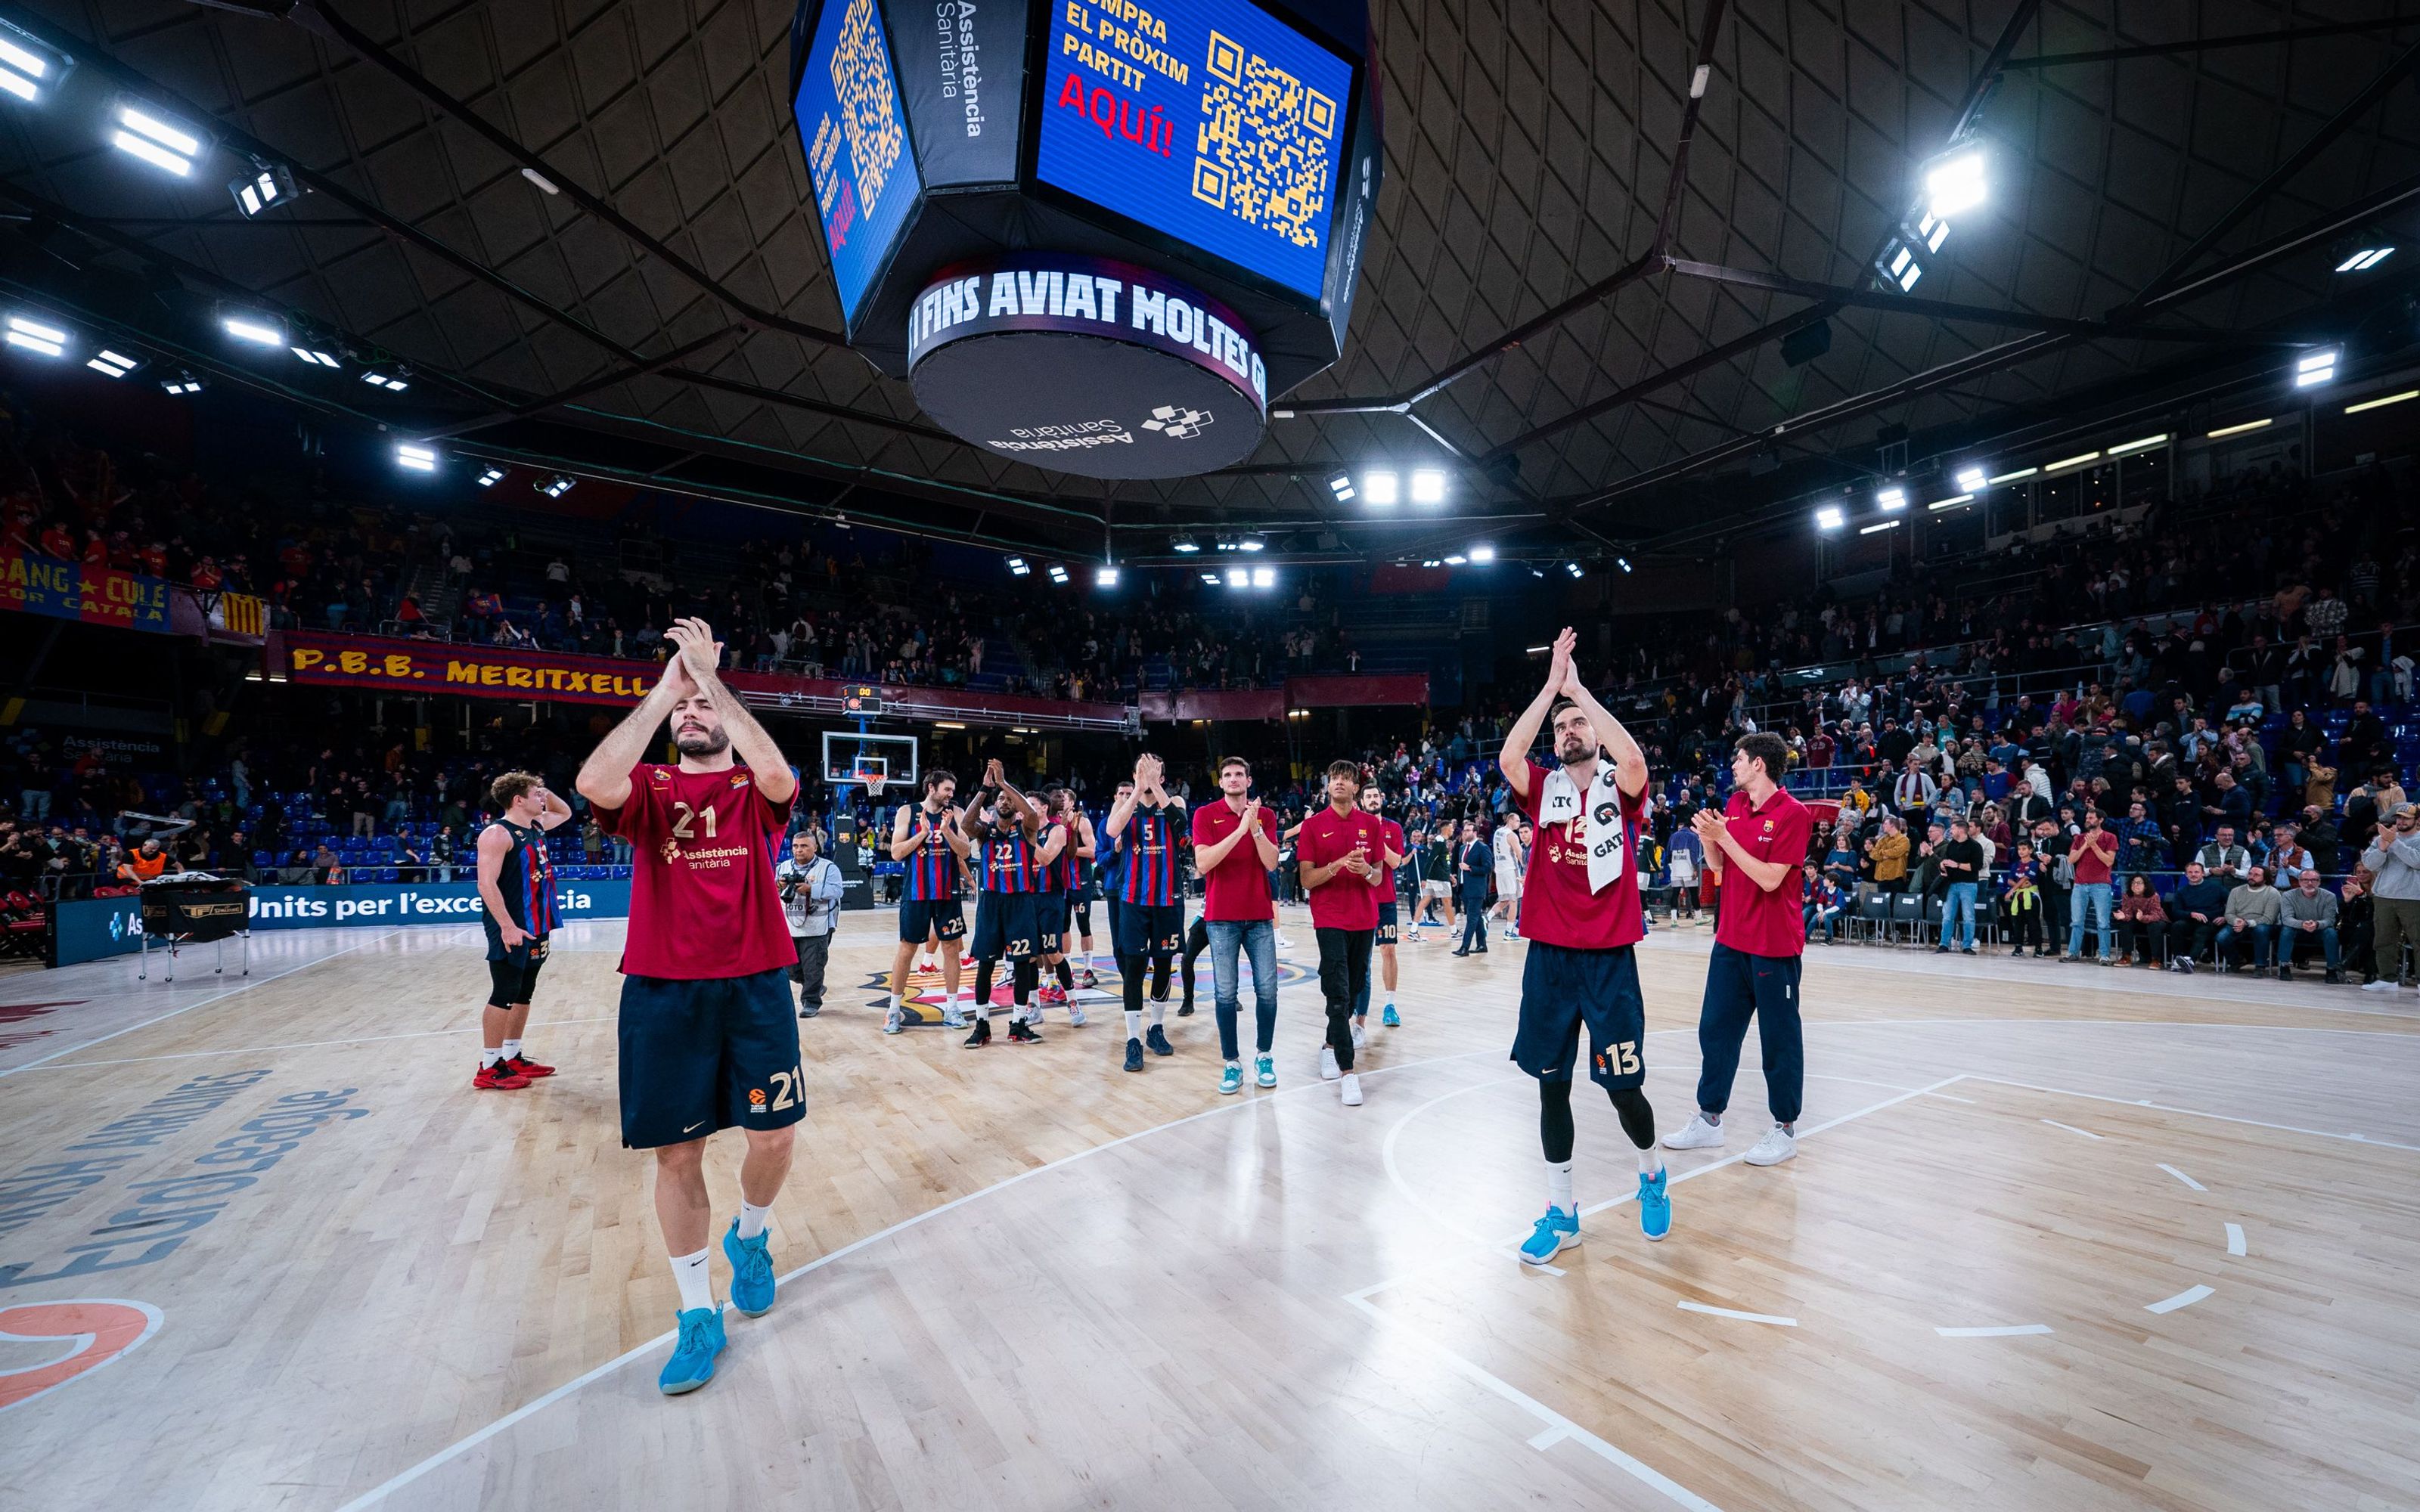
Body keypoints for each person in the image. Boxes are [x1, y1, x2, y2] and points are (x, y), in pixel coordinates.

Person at [574, 616, 802, 1397]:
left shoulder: (750, 790)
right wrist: (665, 689)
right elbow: (594, 783)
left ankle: (751, 1236)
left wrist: (714, 683)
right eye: (683, 713)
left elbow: (778, 776)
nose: (691, 715)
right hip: (664, 990)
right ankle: (696, 1311)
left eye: (701, 707)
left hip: (756, 982)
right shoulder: (648, 788)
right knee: (679, 1155)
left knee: (773, 1138)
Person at [1498, 627, 1671, 1265]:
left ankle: (1651, 1172)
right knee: (1551, 1086)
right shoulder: (1543, 787)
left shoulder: (1617, 787)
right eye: (1562, 727)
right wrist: (1550, 689)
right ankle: (1563, 1211)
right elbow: (1509, 759)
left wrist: (1580, 692)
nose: (1569, 730)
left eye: (1577, 725)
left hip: (1607, 958)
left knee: (1623, 1089)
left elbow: (1634, 763)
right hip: (1549, 957)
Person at [1666, 730, 1812, 1167]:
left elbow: (1770, 879)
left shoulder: (1793, 814)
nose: (1733, 765)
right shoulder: (1733, 807)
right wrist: (1711, 838)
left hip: (1774, 946)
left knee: (1779, 1041)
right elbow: (1720, 870)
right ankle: (1709, 1120)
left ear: (1759, 765)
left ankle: (1785, 1129)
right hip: (1731, 940)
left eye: (1740, 759)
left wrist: (1726, 839)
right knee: (1715, 1031)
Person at [471, 771, 573, 1090]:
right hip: (512, 926)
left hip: (537, 924)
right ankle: (489, 1066)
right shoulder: (497, 834)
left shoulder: (536, 825)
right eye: (535, 794)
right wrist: (506, 926)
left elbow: (565, 812)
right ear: (518, 800)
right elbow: (485, 884)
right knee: (504, 992)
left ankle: (512, 1055)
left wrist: (543, 788)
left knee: (523, 992)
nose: (542, 799)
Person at [1193, 755, 1283, 1095]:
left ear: (1248, 781)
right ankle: (1231, 1062)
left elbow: (1271, 862)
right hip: (1221, 918)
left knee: (1268, 991)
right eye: (1228, 774)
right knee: (1225, 993)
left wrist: (1255, 826)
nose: (1233, 779)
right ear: (1221, 782)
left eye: (1239, 775)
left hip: (1259, 915)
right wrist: (1240, 830)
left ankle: (1264, 1055)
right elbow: (1203, 863)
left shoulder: (1267, 816)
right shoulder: (1205, 815)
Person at [1298, 761, 1385, 1107]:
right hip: (1330, 918)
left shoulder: (1370, 825)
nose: (1339, 784)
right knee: (1337, 990)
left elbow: (1378, 877)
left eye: (1346, 780)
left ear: (1355, 789)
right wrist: (1334, 866)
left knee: (1354, 988)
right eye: (1334, 778)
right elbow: (1306, 879)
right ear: (1327, 785)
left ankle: (1330, 1044)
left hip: (1364, 919)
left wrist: (1365, 870)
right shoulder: (1314, 826)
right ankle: (1348, 1072)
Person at [960, 760, 1058, 1046]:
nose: (1003, 801)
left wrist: (1004, 784)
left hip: (1020, 903)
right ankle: (982, 1026)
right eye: (999, 799)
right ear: (992, 807)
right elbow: (966, 824)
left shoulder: (1026, 829)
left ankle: (1018, 1024)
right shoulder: (984, 831)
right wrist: (985, 788)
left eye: (1008, 799)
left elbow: (1030, 812)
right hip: (991, 903)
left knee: (1023, 964)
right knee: (986, 966)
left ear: (1015, 806)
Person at [1103, 754, 1188, 1073]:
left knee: (1164, 964)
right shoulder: (1126, 803)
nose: (1147, 775)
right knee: (1135, 966)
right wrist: (1138, 789)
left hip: (1168, 898)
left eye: (1153, 771)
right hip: (1133, 899)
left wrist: (1154, 785)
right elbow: (1112, 830)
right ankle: (1132, 1039)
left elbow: (1181, 827)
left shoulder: (1174, 800)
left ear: (1163, 777)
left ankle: (1156, 1027)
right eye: (1141, 769)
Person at [885, 770, 972, 1033]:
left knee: (950, 949)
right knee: (907, 949)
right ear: (931, 788)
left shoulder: (956, 814)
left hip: (948, 894)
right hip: (915, 893)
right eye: (947, 790)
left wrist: (946, 831)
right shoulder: (908, 812)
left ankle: (953, 1008)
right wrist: (922, 834)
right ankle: (893, 1011)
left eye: (952, 791)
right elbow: (896, 853)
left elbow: (966, 851)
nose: (950, 795)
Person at [1353, 782, 1409, 1033]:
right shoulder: (1353, 825)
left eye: (1376, 796)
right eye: (1369, 797)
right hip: (1360, 900)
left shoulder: (1393, 828)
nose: (1373, 800)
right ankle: (1357, 1008)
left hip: (1385, 900)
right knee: (1360, 957)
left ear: (1382, 799)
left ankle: (1390, 1005)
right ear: (1361, 801)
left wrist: (1376, 835)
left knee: (1388, 950)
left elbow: (1396, 862)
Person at [775, 829, 844, 1015]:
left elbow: (837, 891)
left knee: (813, 967)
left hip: (818, 927)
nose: (799, 850)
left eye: (804, 846)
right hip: (789, 927)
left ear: (815, 847)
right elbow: (772, 888)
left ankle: (811, 1002)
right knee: (790, 970)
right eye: (796, 846)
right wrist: (778, 884)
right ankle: (815, 987)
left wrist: (810, 889)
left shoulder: (828, 867)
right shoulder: (783, 867)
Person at [2360, 801, 2420, 993]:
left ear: (2417, 821)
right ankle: (2387, 979)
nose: (2401, 821)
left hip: (2413, 897)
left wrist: (2394, 843)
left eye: (2406, 818)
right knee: (2384, 939)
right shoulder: (2382, 839)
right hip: (2384, 895)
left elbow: (2416, 861)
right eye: (2399, 818)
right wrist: (2383, 848)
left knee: (2418, 940)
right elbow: (2369, 864)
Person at [2064, 809, 2118, 964]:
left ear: (2100, 820)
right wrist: (2085, 846)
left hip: (2101, 884)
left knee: (2103, 922)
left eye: (2091, 817)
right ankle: (2073, 952)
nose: (2088, 820)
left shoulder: (2110, 837)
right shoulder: (2080, 838)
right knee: (2076, 921)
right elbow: (2071, 860)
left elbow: (2108, 861)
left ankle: (2105, 955)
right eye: (2087, 817)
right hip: (2080, 884)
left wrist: (2094, 846)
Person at [2214, 864, 2284, 974]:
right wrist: (2237, 922)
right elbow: (2229, 914)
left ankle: (2260, 966)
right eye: (2250, 874)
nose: (2252, 877)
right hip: (2239, 922)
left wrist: (2247, 923)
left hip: (2264, 925)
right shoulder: (2236, 891)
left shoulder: (2273, 893)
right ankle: (2236, 961)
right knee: (2221, 937)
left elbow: (2269, 918)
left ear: (2265, 878)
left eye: (2256, 875)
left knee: (2260, 930)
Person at [2278, 868, 2341, 983]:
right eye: (2305, 880)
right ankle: (2284, 967)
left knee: (2331, 932)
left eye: (2314, 880)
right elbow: (2287, 919)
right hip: (2298, 929)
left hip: (2319, 930)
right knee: (2286, 930)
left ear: (2319, 882)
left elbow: (2330, 920)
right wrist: (2302, 924)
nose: (2309, 883)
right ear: (2299, 881)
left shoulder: (2330, 896)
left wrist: (2317, 924)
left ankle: (2332, 969)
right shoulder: (2288, 895)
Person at [1932, 816, 1984, 955]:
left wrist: (1958, 865)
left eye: (1953, 828)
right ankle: (1944, 944)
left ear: (1961, 830)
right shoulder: (1952, 844)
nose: (1951, 831)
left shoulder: (1975, 846)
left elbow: (1977, 866)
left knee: (1968, 916)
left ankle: (1967, 945)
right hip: (1951, 884)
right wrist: (1943, 866)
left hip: (1968, 885)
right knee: (1948, 915)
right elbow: (1947, 861)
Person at [1452, 818, 1494, 956]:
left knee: (1472, 918)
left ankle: (1464, 947)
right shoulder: (1463, 848)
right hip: (1464, 888)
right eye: (1464, 830)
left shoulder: (1483, 848)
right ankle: (1482, 945)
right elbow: (1460, 868)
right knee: (1475, 917)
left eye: (1468, 830)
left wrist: (1470, 868)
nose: (1465, 833)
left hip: (1476, 889)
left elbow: (1488, 868)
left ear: (1475, 832)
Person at [2000, 839, 2048, 956]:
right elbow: (2010, 880)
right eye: (2019, 849)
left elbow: (2027, 878)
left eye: (2024, 849)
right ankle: (2018, 947)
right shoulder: (2015, 864)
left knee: (2034, 923)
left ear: (2030, 850)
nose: (2021, 852)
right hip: (2019, 896)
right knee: (2018, 923)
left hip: (2031, 897)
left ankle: (2038, 948)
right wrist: (2019, 886)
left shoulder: (2034, 864)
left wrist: (2012, 890)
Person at [2112, 873, 2167, 968]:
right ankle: (2126, 957)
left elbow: (2156, 915)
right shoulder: (2127, 896)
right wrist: (2123, 916)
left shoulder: (2154, 896)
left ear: (2145, 886)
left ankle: (2156, 960)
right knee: (2125, 924)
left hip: (2157, 921)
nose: (2135, 885)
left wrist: (2142, 918)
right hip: (2138, 921)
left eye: (2139, 883)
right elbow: (2128, 914)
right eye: (2133, 883)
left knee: (2154, 926)